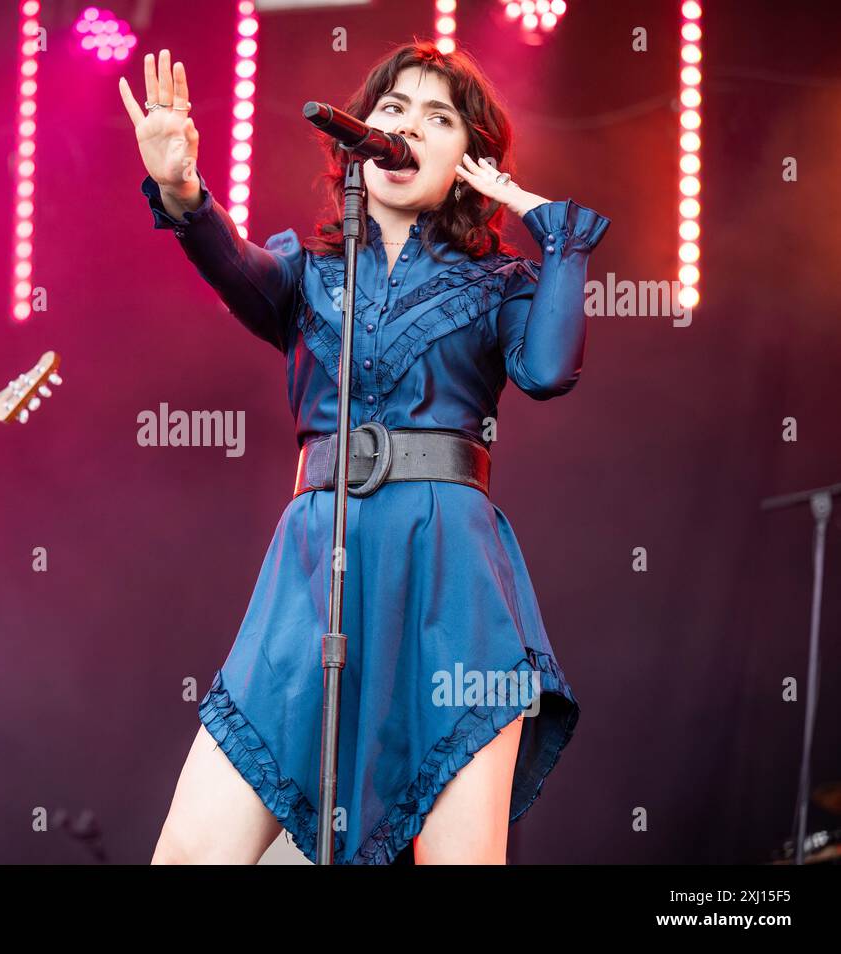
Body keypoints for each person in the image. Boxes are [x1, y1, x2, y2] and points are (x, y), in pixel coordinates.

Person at [120, 40, 610, 864]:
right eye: (391, 110)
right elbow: (232, 264)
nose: (405, 127)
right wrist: (180, 189)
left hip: (450, 581)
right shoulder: (304, 271)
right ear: (357, 136)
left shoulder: (501, 285)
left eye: (437, 117)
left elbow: (550, 369)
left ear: (470, 158)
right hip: (316, 569)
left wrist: (550, 227)